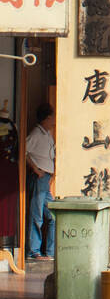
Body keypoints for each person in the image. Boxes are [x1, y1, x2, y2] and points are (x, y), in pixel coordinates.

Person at [26, 103, 56, 261]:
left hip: (46, 179)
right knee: (36, 214)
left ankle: (50, 252)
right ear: (46, 118)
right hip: (40, 178)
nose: (54, 120)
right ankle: (33, 251)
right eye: (52, 117)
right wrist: (36, 169)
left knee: (53, 216)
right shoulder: (36, 134)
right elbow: (23, 151)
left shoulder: (47, 134)